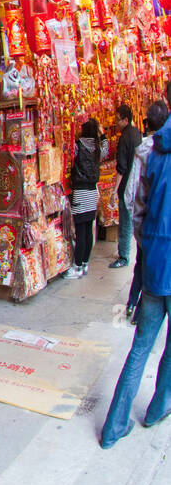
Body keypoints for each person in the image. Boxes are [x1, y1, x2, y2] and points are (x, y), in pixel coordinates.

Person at [99, 102, 171, 448]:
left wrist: (147, 250)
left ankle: (114, 426)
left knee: (141, 346)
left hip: (157, 263)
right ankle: (157, 408)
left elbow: (137, 209)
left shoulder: (154, 154)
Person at [123, 101, 170, 323]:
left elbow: (132, 196)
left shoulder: (147, 151)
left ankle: (134, 305)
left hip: (150, 231)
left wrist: (140, 232)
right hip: (159, 236)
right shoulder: (158, 152)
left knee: (142, 269)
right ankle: (138, 308)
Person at [64, 118, 107, 279]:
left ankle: (77, 266)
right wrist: (102, 135)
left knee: (80, 231)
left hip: (80, 191)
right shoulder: (97, 148)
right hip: (92, 191)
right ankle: (85, 264)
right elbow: (106, 150)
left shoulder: (77, 146)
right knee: (88, 231)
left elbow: (68, 159)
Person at [112, 104, 142, 270]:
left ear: (125, 119)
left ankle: (123, 256)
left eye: (118, 120)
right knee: (131, 219)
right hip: (137, 183)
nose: (116, 123)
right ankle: (128, 251)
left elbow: (121, 168)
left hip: (126, 186)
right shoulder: (136, 133)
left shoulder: (124, 137)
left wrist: (115, 189)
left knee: (125, 221)